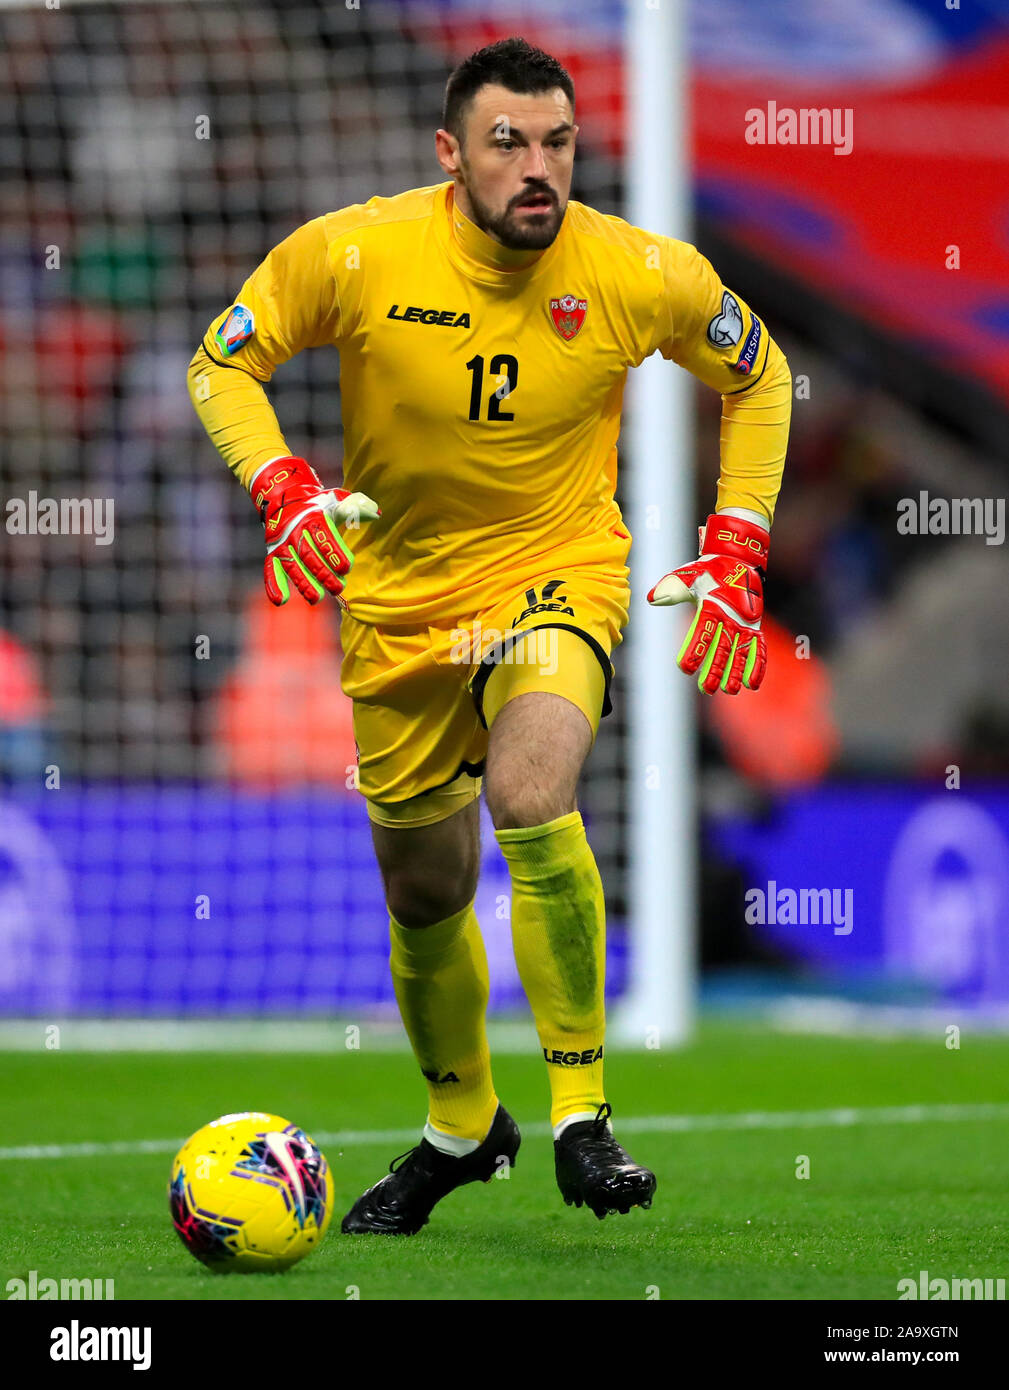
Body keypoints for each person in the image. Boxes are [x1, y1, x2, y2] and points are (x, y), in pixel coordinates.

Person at [188, 37, 790, 1234]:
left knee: (529, 789)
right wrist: (282, 486)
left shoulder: (637, 271)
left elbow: (760, 375)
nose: (539, 169)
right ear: (449, 153)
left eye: (558, 142)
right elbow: (223, 364)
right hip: (402, 603)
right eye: (509, 142)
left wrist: (738, 541)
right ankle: (462, 1125)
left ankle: (582, 1116)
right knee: (423, 892)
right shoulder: (354, 251)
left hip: (555, 577)